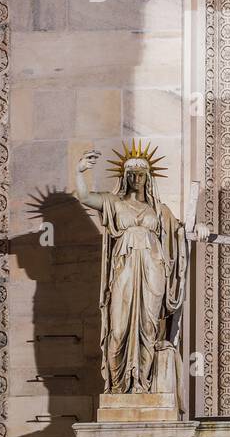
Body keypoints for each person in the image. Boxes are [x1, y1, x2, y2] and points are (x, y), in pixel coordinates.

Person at [75, 144, 187, 394]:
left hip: (153, 269)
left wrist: (193, 230)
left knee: (148, 327)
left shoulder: (159, 210)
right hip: (124, 268)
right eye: (132, 174)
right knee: (119, 328)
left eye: (141, 174)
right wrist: (80, 172)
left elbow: (179, 234)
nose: (136, 178)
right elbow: (84, 197)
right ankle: (118, 386)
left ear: (148, 178)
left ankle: (142, 384)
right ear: (125, 177)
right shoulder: (113, 202)